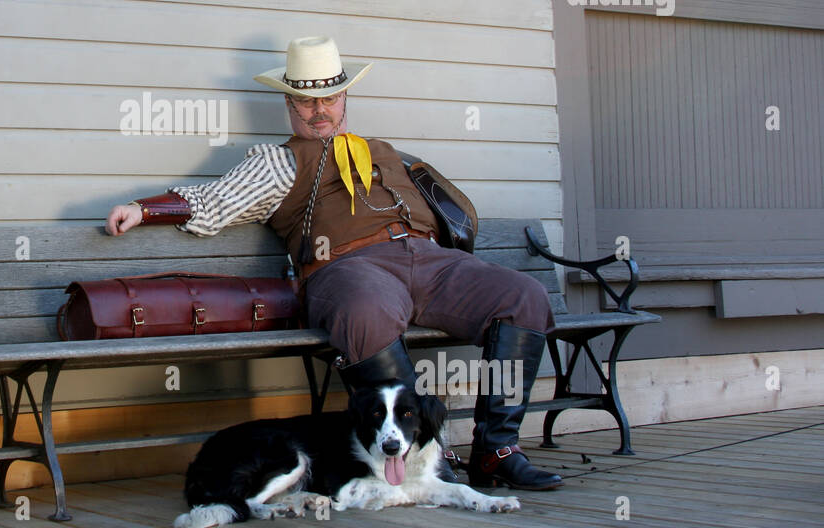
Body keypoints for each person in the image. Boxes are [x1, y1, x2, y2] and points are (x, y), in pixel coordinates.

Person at [105, 36, 562, 490]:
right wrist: (146, 210)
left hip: (429, 259)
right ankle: (424, 462)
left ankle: (496, 451)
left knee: (523, 296)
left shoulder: (387, 153)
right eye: (305, 101)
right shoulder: (280, 162)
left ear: (344, 97)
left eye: (329, 97)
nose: (318, 109)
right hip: (347, 267)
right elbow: (218, 201)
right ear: (289, 104)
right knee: (365, 312)